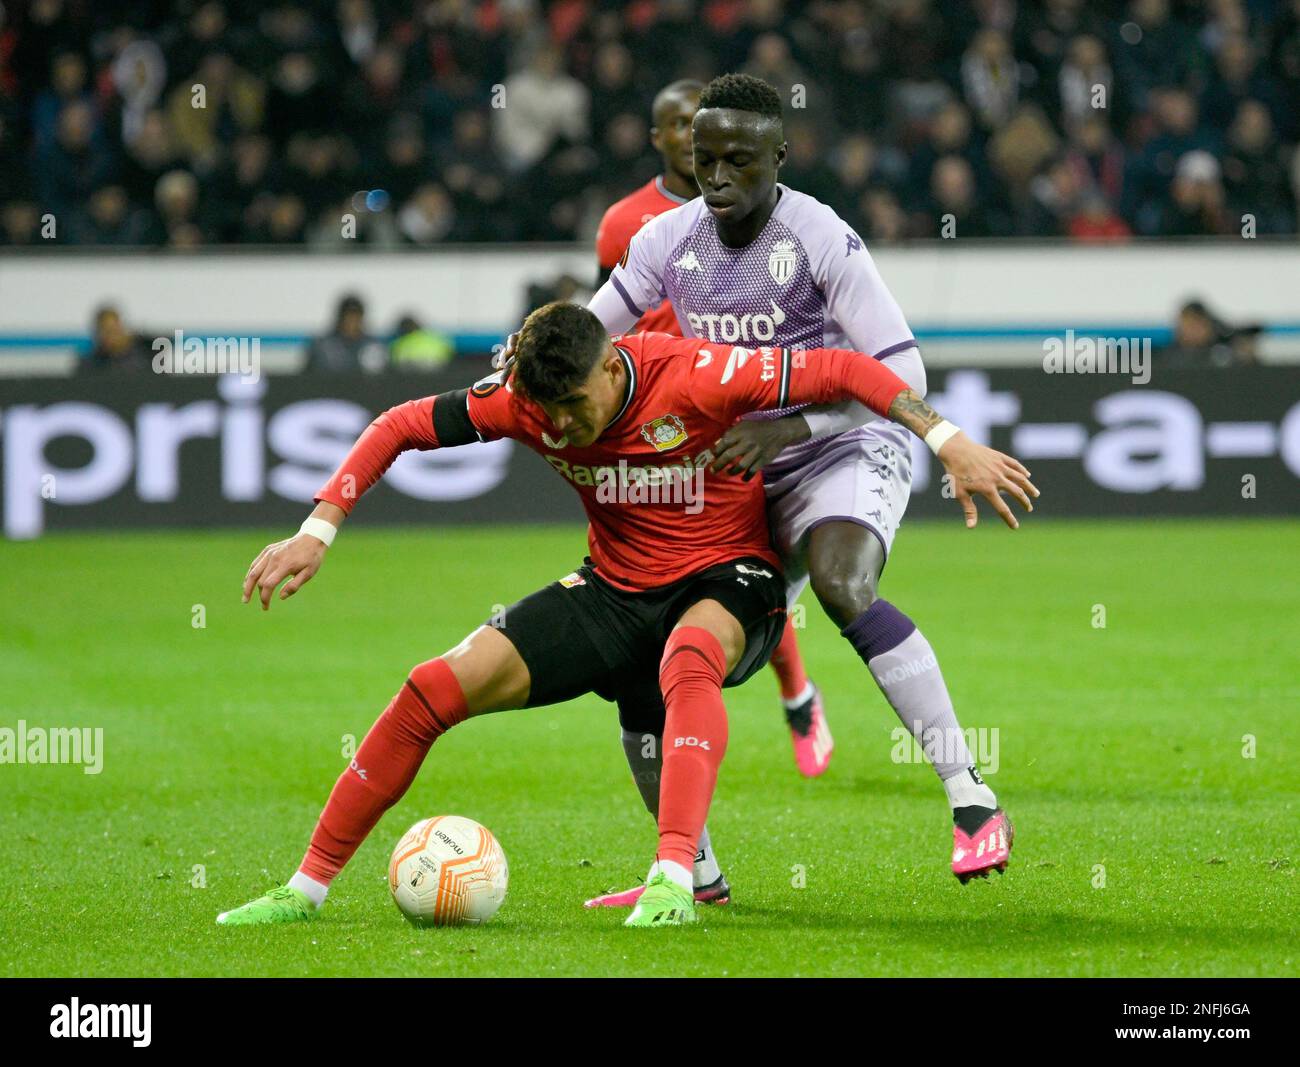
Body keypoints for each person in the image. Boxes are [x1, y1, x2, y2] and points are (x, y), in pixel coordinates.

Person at [216, 301, 1036, 930]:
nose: (560, 427)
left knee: (683, 656)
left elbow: (852, 371)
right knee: (432, 686)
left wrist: (943, 437)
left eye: (572, 406)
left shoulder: (700, 375)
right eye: (546, 414)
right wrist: (317, 527)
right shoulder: (524, 401)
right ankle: (304, 887)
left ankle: (674, 875)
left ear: (613, 366)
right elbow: (398, 425)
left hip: (733, 579)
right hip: (611, 589)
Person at [586, 73, 1018, 895]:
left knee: (840, 582)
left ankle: (970, 795)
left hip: (843, 442)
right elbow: (590, 331)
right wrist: (519, 363)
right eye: (703, 159)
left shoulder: (820, 235)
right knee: (645, 653)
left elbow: (901, 370)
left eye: (738, 162)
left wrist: (793, 427)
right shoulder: (663, 240)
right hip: (734, 472)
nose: (716, 178)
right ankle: (692, 870)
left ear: (779, 158)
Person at [594, 77, 832, 787]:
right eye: (672, 127)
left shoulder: (770, 219)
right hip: (650, 418)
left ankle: (795, 693)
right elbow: (603, 321)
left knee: (741, 563)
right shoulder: (627, 223)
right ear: (665, 139)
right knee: (653, 585)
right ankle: (685, 834)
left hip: (722, 415)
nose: (682, 138)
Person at [305, 293, 389, 373]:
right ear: (340, 318)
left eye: (356, 317)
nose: (352, 322)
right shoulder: (323, 347)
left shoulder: (373, 347)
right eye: (348, 316)